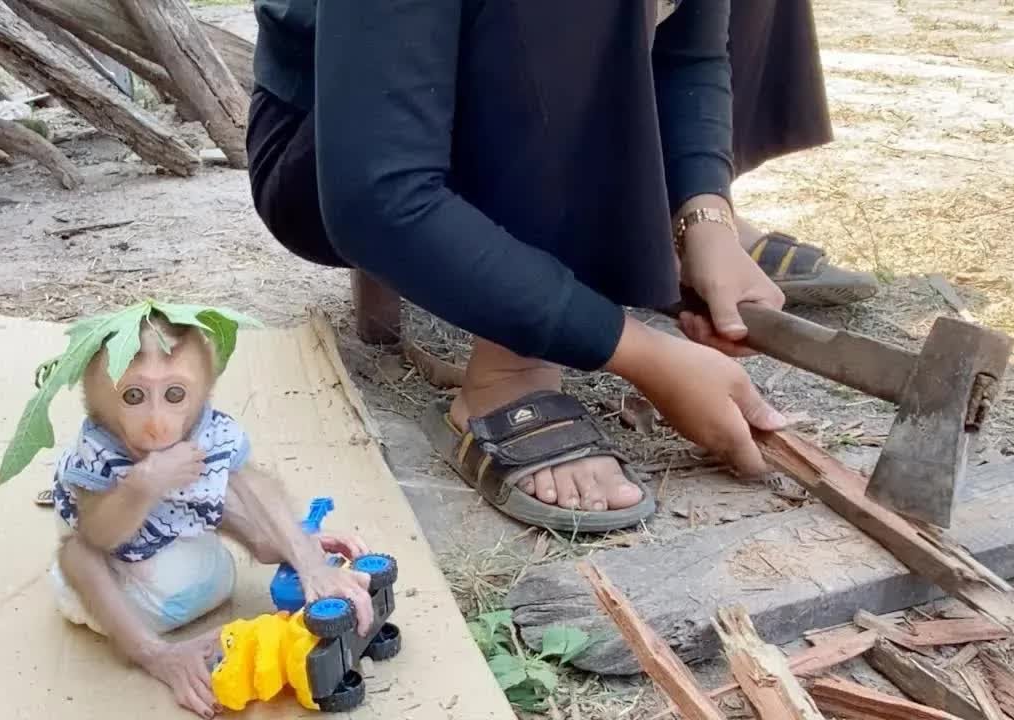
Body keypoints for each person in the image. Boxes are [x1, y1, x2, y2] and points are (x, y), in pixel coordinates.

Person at [244, 0, 869, 533]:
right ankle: (512, 367)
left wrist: (704, 213)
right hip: (335, 151)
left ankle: (668, 222)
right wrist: (642, 354)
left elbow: (690, 47)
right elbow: (376, 198)